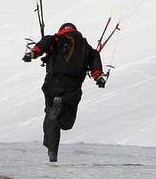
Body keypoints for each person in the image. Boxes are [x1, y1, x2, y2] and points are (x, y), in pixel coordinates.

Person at [23, 22, 106, 162]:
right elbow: (95, 64)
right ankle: (59, 108)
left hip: (52, 85)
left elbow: (43, 44)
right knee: (67, 124)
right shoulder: (87, 48)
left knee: (50, 116)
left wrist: (33, 53)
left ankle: (52, 151)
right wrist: (98, 78)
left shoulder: (55, 39)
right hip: (72, 89)